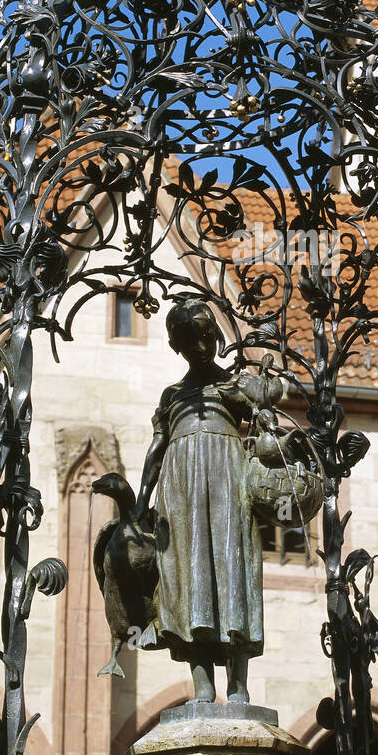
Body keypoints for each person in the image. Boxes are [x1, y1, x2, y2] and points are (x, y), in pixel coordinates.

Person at [135, 298, 272, 704]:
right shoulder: (173, 394)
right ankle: (202, 685)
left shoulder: (235, 386)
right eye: (191, 342)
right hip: (180, 487)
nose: (202, 347)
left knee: (233, 570)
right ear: (178, 346)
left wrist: (261, 406)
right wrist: (142, 499)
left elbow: (267, 424)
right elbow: (157, 447)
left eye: (207, 338)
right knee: (187, 577)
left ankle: (239, 685)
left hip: (228, 479)